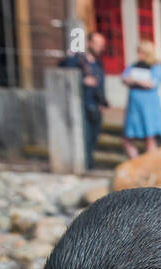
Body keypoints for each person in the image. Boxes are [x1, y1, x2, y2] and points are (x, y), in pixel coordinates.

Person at [62, 31, 108, 170]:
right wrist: (82, 81)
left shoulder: (99, 64)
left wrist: (102, 102)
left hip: (96, 106)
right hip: (84, 105)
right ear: (89, 43)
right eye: (97, 44)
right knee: (85, 139)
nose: (100, 47)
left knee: (93, 139)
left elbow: (101, 85)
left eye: (102, 45)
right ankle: (86, 167)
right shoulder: (78, 61)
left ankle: (90, 164)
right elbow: (65, 73)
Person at [120, 41, 161, 158]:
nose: (139, 55)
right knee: (127, 139)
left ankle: (151, 167)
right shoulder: (134, 65)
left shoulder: (157, 66)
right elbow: (124, 78)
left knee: (150, 139)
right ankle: (136, 163)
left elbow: (152, 83)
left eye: (141, 53)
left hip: (149, 107)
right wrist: (138, 81)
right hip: (134, 108)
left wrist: (134, 80)